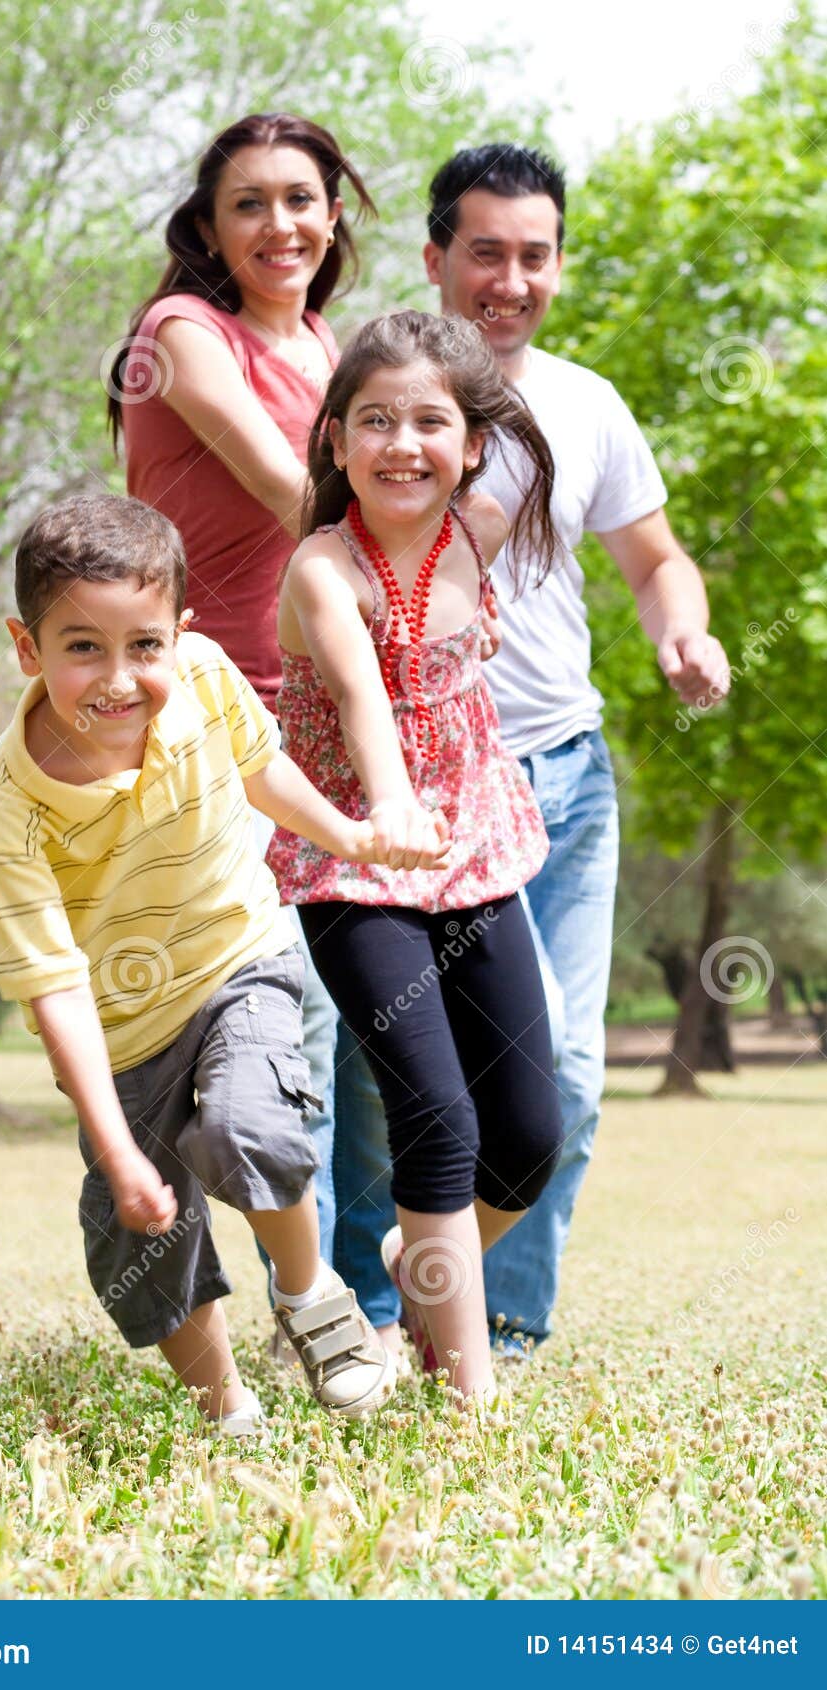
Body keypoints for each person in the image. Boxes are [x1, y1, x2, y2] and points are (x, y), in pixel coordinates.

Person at [333, 144, 731, 1357]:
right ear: (435, 258)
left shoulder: (586, 404)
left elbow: (655, 560)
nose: (510, 278)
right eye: (485, 252)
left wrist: (686, 632)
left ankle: (493, 1319)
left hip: (555, 774)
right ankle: (362, 1318)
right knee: (378, 1075)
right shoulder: (372, 396)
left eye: (534, 254)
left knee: (558, 1065)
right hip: (405, 789)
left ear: (556, 262)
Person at [0, 495, 443, 1430]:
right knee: (136, 1234)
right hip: (116, 1029)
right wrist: (115, 1149)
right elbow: (53, 986)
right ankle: (228, 1414)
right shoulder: (10, 805)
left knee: (249, 1125)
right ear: (27, 649)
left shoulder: (206, 676)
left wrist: (349, 833)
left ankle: (311, 1302)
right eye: (81, 648)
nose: (119, 677)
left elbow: (258, 767)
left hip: (240, 958)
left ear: (179, 635)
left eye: (144, 646)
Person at [266, 311, 564, 1399]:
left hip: (475, 854)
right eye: (375, 421)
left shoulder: (480, 530)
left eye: (430, 421)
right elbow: (357, 700)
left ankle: (416, 1256)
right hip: (356, 860)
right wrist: (387, 803)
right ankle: (465, 1400)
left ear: (472, 441)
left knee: (529, 1133)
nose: (403, 443)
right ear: (335, 441)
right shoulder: (320, 566)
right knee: (437, 1117)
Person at [105, 113, 377, 1265]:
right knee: (253, 1011)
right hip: (200, 723)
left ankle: (354, 1293)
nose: (282, 224)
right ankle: (249, 1297)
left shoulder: (328, 343)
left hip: (316, 714)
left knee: (353, 1018)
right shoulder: (179, 330)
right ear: (210, 227)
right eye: (250, 203)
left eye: (302, 199)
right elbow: (288, 484)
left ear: (333, 213)